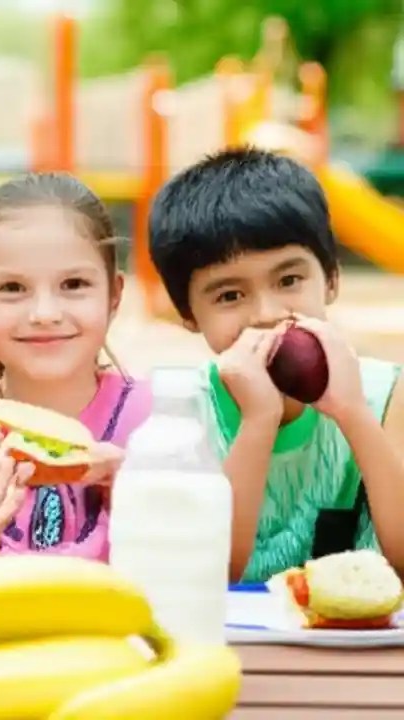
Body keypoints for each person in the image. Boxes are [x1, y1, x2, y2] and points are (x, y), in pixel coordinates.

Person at [148, 146, 404, 582]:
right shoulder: (179, 415)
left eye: (289, 280)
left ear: (331, 281)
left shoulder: (387, 396)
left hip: (351, 648)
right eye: (230, 295)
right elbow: (210, 569)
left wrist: (353, 413)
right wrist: (258, 421)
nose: (266, 312)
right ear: (187, 315)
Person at [0, 172, 152, 561]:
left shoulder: (159, 424)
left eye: (73, 285)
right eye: (12, 289)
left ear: (115, 295)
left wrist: (134, 502)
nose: (44, 313)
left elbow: (186, 571)